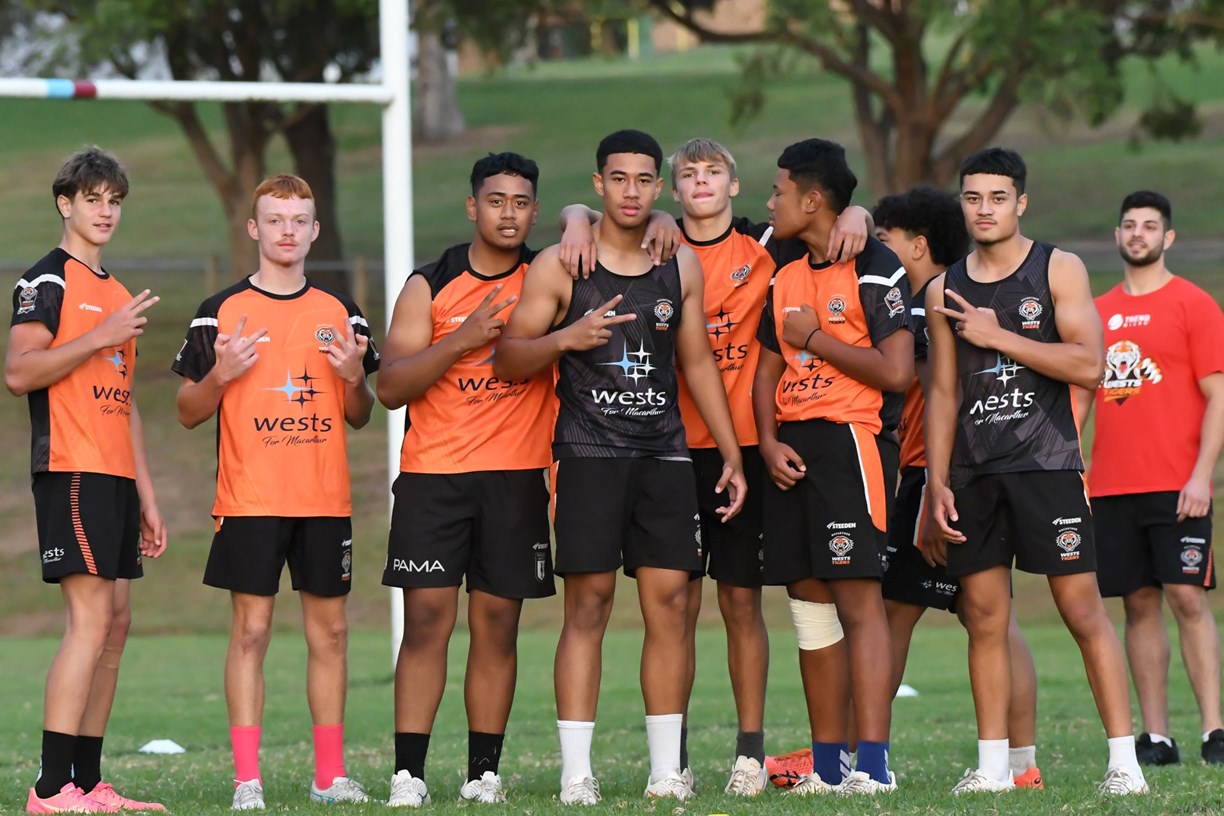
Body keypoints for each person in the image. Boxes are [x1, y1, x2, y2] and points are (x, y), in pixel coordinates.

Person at [557, 136, 872, 796]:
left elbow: (833, 219)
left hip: (742, 451)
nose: (700, 182)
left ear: (734, 186)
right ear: (672, 191)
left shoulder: (767, 245)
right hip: (661, 451)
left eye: (714, 172)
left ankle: (749, 754)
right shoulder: (649, 244)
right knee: (674, 605)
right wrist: (574, 215)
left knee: (741, 601)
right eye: (688, 174)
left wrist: (858, 214)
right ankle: (675, 759)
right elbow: (585, 214)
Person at [494, 129, 746, 804]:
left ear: (656, 190)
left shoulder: (679, 265)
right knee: (590, 606)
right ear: (599, 184)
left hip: (663, 456)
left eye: (643, 180)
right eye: (619, 179)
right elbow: (509, 358)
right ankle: (577, 773)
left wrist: (727, 451)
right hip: (588, 456)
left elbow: (696, 362)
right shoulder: (560, 265)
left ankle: (667, 770)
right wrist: (566, 338)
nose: (631, 192)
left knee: (668, 604)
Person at [925, 147, 1147, 795]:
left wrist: (1001, 337)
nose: (984, 210)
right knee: (985, 616)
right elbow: (941, 392)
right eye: (972, 198)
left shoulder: (1060, 267)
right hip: (972, 472)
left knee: (1083, 610)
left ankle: (1124, 765)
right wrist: (936, 481)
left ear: (1020, 202)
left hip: (1045, 465)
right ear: (961, 203)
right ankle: (995, 768)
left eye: (997, 198)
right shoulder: (944, 288)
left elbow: (1089, 366)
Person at [172, 174, 379, 810]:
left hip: (323, 499)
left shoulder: (341, 313)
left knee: (332, 634)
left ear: (315, 231)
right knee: (252, 631)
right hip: (251, 499)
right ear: (254, 228)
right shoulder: (219, 312)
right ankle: (247, 781)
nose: (288, 231)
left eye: (299, 220)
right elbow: (185, 410)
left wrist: (351, 379)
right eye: (275, 219)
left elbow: (361, 414)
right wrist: (220, 375)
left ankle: (329, 775)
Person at [376, 152, 557, 806]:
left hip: (514, 478)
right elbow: (389, 388)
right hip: (436, 477)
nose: (507, 213)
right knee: (426, 620)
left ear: (534, 212)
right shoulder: (431, 282)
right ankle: (409, 774)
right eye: (495, 200)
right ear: (472, 207)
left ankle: (484, 773)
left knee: (497, 625)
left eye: (520, 202)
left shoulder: (549, 277)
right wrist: (462, 339)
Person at [8, 146, 168, 814]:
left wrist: (147, 494)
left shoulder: (119, 295)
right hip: (70, 467)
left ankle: (88, 782)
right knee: (90, 618)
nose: (104, 212)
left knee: (118, 622)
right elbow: (20, 373)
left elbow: (123, 398)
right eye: (92, 198)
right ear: (64, 203)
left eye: (114, 200)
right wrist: (101, 334)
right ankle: (49, 789)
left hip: (113, 476)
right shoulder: (45, 282)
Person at [752, 137, 913, 795]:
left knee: (858, 600)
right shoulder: (784, 268)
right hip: (793, 451)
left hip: (852, 444)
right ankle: (826, 768)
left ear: (813, 199)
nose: (771, 202)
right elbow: (767, 368)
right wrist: (766, 442)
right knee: (808, 606)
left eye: (779, 191)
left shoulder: (875, 266)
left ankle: (872, 767)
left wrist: (814, 337)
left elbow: (898, 370)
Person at [873, 186, 1043, 789]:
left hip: (935, 477)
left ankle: (863, 757)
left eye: (884, 242)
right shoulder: (964, 294)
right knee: (990, 618)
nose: (875, 252)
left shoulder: (927, 305)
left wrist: (928, 491)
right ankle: (1022, 764)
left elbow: (939, 396)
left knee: (891, 614)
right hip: (975, 472)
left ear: (915, 247)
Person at [1074, 190, 1224, 766]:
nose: (1138, 233)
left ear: (1169, 238)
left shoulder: (1194, 303)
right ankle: (1157, 736)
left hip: (1178, 483)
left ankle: (1214, 729)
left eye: (1150, 226)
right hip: (1112, 485)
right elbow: (1080, 399)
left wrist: (1202, 476)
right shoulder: (1096, 310)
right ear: (1117, 237)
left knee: (1186, 597)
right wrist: (1073, 470)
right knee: (1137, 604)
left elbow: (1217, 398)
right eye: (1129, 225)